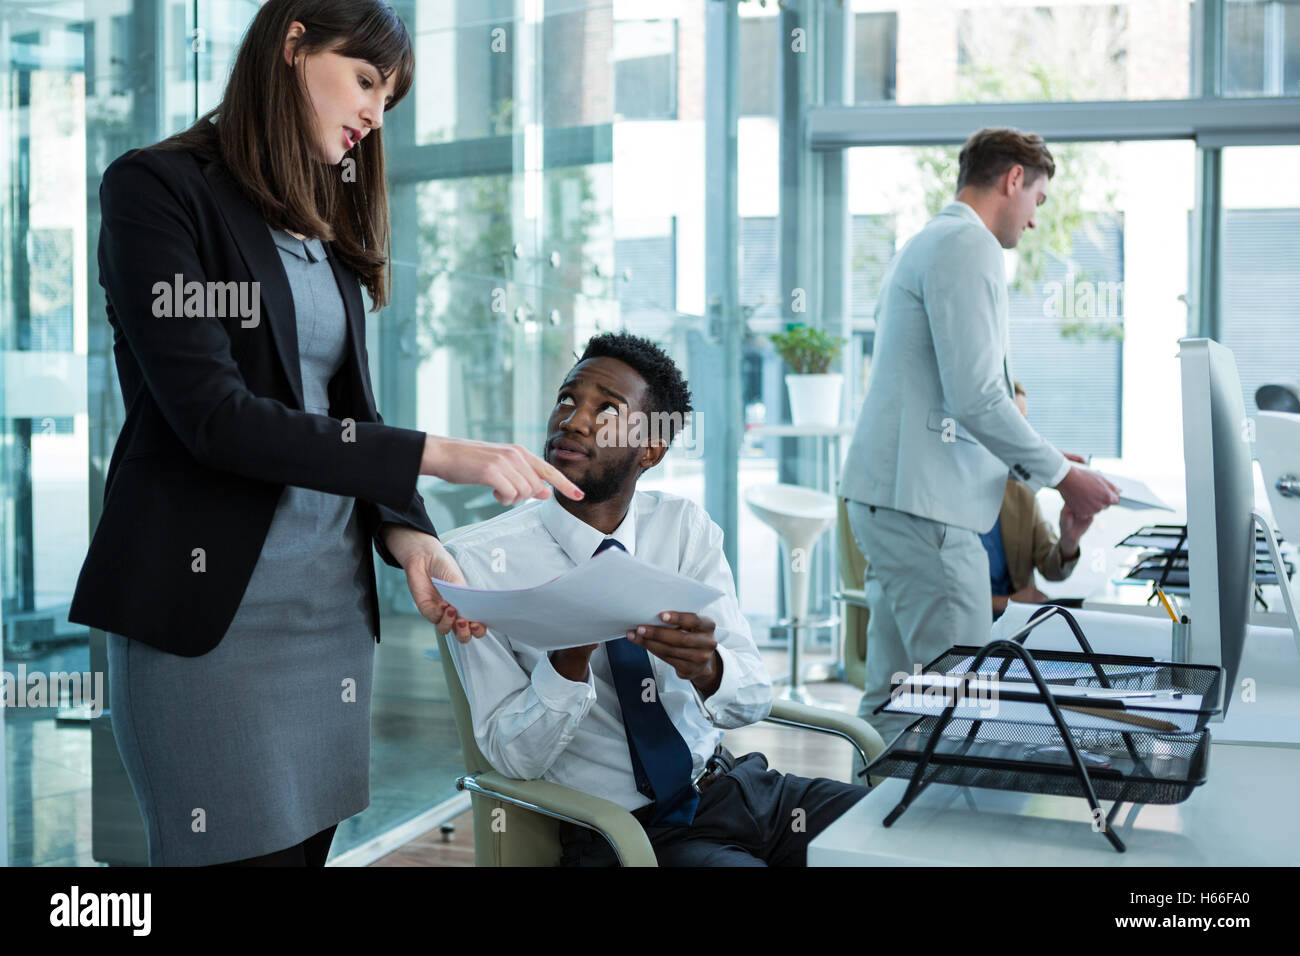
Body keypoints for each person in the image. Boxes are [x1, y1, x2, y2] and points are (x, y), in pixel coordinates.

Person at [67, 0, 581, 867]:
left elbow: (349, 416)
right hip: (211, 628)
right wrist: (440, 454)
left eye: (391, 97)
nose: (377, 114)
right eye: (368, 80)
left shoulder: (318, 220)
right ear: (293, 43)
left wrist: (410, 529)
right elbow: (214, 419)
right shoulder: (155, 189)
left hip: (327, 620)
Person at [445, 332, 868, 866]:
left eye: (608, 410)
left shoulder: (683, 528)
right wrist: (567, 662)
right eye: (568, 399)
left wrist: (709, 669)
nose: (573, 421)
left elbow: (753, 695)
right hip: (624, 834)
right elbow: (510, 758)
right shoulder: (479, 564)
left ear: (651, 449)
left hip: (735, 789)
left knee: (902, 830)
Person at [839, 127, 1120, 746]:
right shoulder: (970, 246)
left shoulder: (927, 242)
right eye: (1039, 201)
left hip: (894, 502)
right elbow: (977, 398)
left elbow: (952, 398)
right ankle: (947, 839)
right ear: (1013, 179)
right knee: (968, 698)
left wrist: (1037, 460)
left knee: (894, 693)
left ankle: (857, 828)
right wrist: (1065, 477)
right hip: (928, 511)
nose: (1035, 221)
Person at [980, 382, 1092, 620]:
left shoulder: (1020, 493)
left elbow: (1051, 569)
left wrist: (1069, 540)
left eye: (1024, 424)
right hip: (965, 632)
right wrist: (1008, 603)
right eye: (1014, 424)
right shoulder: (949, 498)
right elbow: (939, 592)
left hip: (1015, 631)